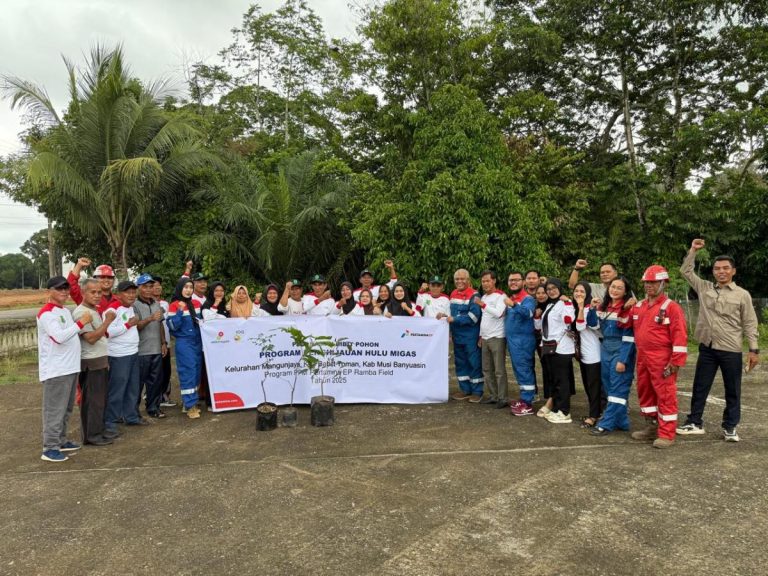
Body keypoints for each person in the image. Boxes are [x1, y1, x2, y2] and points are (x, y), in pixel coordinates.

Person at [677, 239, 760, 442]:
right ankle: (694, 422)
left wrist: (754, 350)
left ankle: (730, 427)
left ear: (733, 271)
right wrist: (693, 251)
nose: (721, 271)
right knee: (700, 386)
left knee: (732, 389)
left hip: (730, 349)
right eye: (717, 268)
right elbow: (686, 272)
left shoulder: (742, 295)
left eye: (725, 268)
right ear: (713, 271)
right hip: (707, 346)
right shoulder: (705, 288)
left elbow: (750, 322)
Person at [627, 265, 688, 449]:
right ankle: (651, 427)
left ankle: (667, 433)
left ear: (663, 283)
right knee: (645, 392)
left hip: (662, 358)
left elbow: (680, 336)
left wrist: (676, 361)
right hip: (643, 357)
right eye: (646, 282)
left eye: (653, 282)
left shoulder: (671, 308)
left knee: (665, 395)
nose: (649, 286)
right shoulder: (638, 306)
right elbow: (624, 323)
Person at [37, 276, 93, 462]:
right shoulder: (46, 313)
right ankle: (50, 447)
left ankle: (60, 440)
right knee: (54, 410)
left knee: (66, 408)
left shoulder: (64, 311)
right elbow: (59, 337)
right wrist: (80, 323)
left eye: (66, 288)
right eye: (59, 288)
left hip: (70, 367)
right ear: (49, 291)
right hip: (56, 369)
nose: (64, 292)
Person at [73, 278, 116, 446]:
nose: (97, 295)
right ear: (83, 293)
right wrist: (107, 321)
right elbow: (90, 338)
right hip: (91, 362)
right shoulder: (81, 312)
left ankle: (97, 431)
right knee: (92, 401)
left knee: (99, 400)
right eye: (93, 292)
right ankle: (92, 435)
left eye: (99, 292)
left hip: (99, 360)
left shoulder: (92, 310)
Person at [591, 277, 636, 436]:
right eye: (613, 287)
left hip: (621, 349)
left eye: (619, 288)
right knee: (609, 387)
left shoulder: (630, 308)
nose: (614, 290)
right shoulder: (604, 306)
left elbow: (629, 336)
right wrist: (591, 308)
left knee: (618, 387)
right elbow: (593, 325)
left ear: (625, 292)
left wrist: (623, 360)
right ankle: (622, 422)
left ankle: (607, 423)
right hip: (605, 349)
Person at [103, 280, 147, 437]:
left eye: (133, 292)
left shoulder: (130, 308)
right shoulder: (112, 310)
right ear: (119, 294)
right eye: (127, 292)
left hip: (133, 352)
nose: (131, 295)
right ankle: (110, 423)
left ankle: (131, 417)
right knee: (117, 390)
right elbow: (107, 332)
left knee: (132, 388)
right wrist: (128, 325)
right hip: (118, 355)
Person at [534, 278, 575, 423]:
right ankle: (557, 409)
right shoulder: (551, 305)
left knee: (562, 380)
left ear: (559, 288)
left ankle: (564, 412)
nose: (551, 291)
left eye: (554, 288)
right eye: (548, 289)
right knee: (555, 379)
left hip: (561, 347)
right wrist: (537, 316)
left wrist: (568, 303)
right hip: (550, 346)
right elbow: (541, 327)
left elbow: (569, 320)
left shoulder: (563, 303)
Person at [133, 274, 168, 419]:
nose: (148, 289)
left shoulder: (156, 303)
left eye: (150, 286)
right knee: (138, 383)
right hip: (141, 350)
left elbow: (160, 324)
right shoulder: (134, 305)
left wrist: (163, 343)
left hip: (156, 348)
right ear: (138, 288)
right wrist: (150, 318)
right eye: (145, 287)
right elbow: (136, 326)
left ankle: (153, 407)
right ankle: (133, 410)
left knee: (155, 380)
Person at [167, 278, 203, 419]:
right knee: (188, 372)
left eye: (190, 287)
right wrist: (180, 311)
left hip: (197, 342)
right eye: (186, 287)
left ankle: (189, 402)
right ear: (180, 288)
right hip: (184, 343)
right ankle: (190, 406)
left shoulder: (197, 303)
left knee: (196, 372)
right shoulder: (175, 305)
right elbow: (172, 327)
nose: (188, 290)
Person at [505, 271, 538, 416]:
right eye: (511, 280)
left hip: (523, 341)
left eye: (516, 280)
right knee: (519, 370)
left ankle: (528, 403)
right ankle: (525, 398)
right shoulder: (512, 297)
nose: (513, 283)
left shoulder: (527, 298)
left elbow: (529, 313)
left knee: (524, 369)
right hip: (513, 341)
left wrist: (513, 305)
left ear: (523, 282)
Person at [448, 269, 484, 402]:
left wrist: (455, 320)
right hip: (457, 336)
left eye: (462, 279)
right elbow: (450, 314)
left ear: (468, 280)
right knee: (460, 363)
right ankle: (465, 390)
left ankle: (477, 391)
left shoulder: (474, 296)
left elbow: (474, 317)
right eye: (457, 279)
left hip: (470, 336)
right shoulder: (453, 294)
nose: (459, 281)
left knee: (473, 363)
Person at [475, 271, 508, 408]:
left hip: (497, 337)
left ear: (494, 281)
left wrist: (483, 305)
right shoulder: (484, 296)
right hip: (486, 338)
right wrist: (481, 336)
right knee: (487, 369)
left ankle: (503, 398)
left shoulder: (501, 296)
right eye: (483, 281)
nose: (485, 284)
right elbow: (485, 318)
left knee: (499, 370)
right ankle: (494, 396)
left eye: (487, 281)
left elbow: (499, 313)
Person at [572, 281, 602, 427]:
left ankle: (594, 416)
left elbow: (580, 325)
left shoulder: (591, 308)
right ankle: (595, 413)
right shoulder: (577, 308)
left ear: (588, 294)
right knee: (588, 386)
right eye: (576, 291)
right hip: (583, 354)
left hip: (593, 354)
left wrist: (582, 307)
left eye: (582, 291)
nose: (578, 294)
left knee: (594, 387)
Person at [153, 277, 176, 408]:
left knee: (166, 371)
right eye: (154, 285)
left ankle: (165, 396)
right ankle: (156, 397)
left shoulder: (166, 304)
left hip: (165, 343)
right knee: (156, 372)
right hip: (153, 344)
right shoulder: (147, 304)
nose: (157, 287)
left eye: (159, 285)